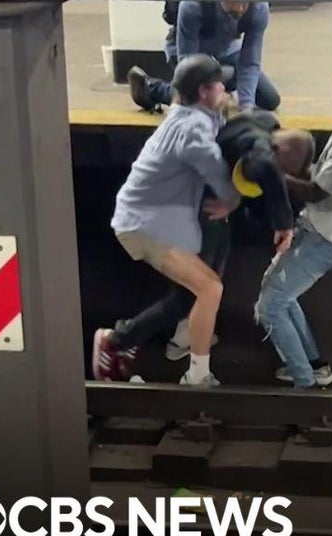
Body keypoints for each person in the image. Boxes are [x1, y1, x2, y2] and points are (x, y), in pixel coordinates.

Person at [92, 54, 243, 387]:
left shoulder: (187, 112)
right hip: (145, 224)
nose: (225, 87)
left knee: (188, 296)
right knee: (209, 287)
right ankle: (198, 376)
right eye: (219, 84)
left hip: (154, 215)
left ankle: (120, 341)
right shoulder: (193, 130)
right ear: (204, 91)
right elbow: (220, 177)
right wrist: (234, 197)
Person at [254, 57, 332, 389]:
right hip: (319, 229)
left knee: (270, 307)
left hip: (326, 240)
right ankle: (314, 365)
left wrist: (272, 172)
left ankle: (304, 385)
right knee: (280, 293)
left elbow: (315, 192)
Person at [158, 111, 317, 361]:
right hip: (199, 204)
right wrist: (283, 225)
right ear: (275, 150)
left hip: (204, 197)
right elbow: (263, 168)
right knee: (201, 276)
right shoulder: (261, 150)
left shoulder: (265, 121)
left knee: (215, 262)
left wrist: (233, 200)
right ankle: (177, 340)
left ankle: (194, 329)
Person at [129, 2, 280, 114]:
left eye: (244, 2)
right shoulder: (193, 6)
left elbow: (249, 62)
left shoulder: (258, 8)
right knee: (197, 100)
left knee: (269, 99)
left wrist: (247, 108)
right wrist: (205, 95)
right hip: (190, 55)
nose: (240, 8)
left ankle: (219, 85)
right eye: (234, 2)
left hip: (226, 52)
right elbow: (188, 67)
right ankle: (150, 88)